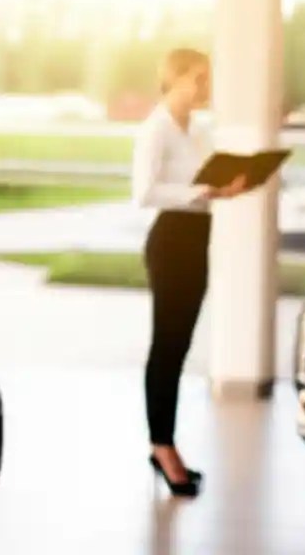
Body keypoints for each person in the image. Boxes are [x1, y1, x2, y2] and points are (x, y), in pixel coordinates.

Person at [132, 47, 248, 497]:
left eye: (208, 78)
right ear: (174, 77)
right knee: (166, 347)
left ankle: (165, 442)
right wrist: (202, 190)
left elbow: (201, 184)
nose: (205, 87)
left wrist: (226, 188)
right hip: (170, 244)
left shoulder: (197, 129)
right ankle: (162, 446)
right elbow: (144, 192)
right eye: (198, 78)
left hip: (197, 240)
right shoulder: (156, 128)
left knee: (178, 348)